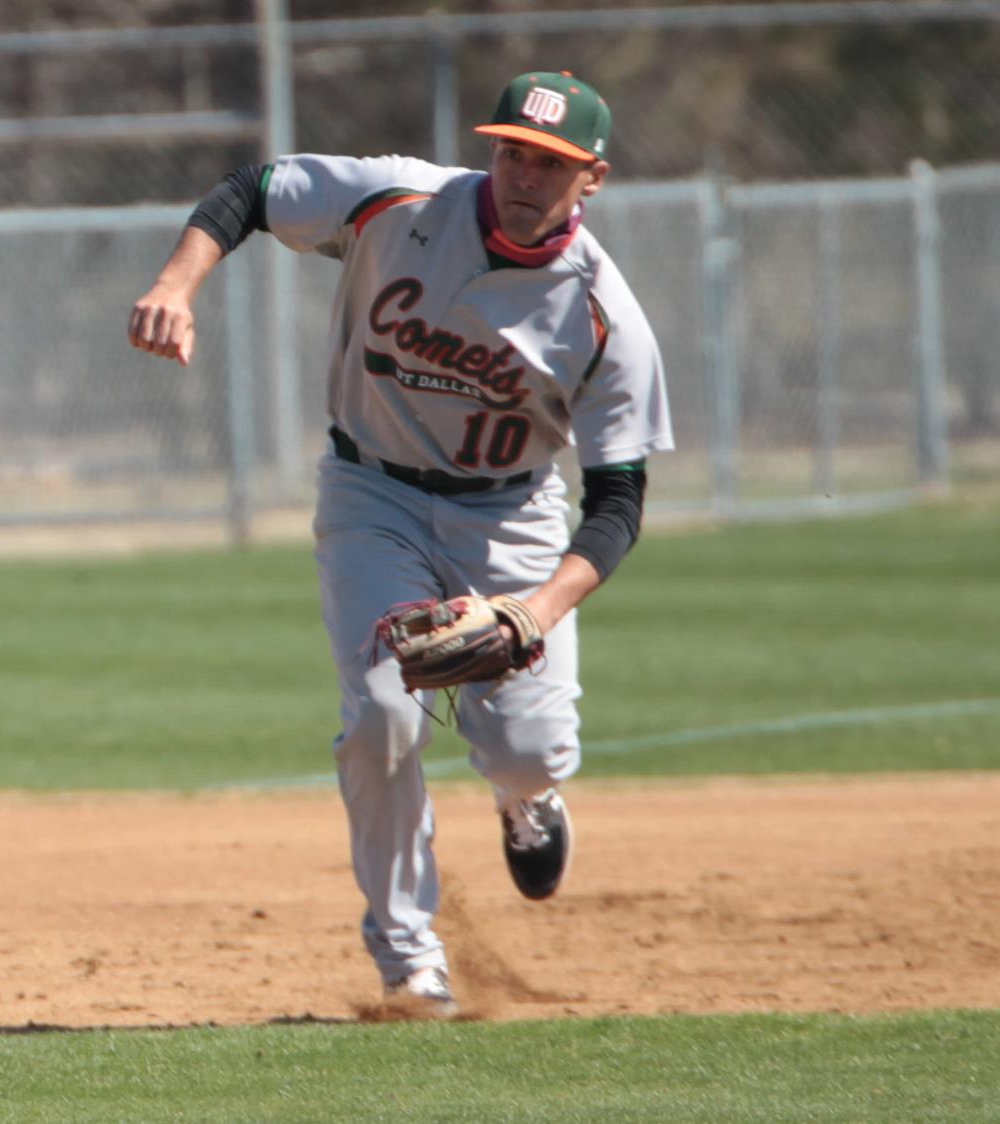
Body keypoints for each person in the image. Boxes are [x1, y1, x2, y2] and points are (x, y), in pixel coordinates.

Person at [125, 71, 673, 1016]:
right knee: (382, 715)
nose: (523, 175)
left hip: (511, 520)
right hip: (371, 488)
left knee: (531, 749)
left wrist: (531, 612)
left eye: (551, 163)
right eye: (511, 150)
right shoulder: (401, 199)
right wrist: (177, 283)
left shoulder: (604, 317)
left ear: (594, 179)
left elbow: (618, 503)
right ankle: (409, 958)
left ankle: (525, 800)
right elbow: (251, 194)